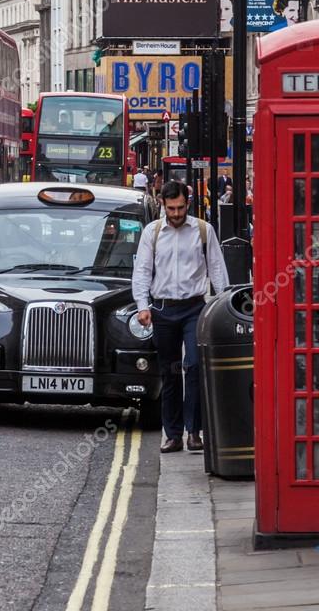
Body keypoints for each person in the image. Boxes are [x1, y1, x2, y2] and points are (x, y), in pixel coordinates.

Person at [132, 181, 229, 454]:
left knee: (195, 367)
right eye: (171, 208)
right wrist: (142, 305)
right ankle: (172, 434)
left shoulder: (202, 230)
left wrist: (223, 305)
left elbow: (218, 271)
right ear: (163, 203)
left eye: (181, 208)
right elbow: (142, 271)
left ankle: (194, 432)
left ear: (188, 203)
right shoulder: (152, 233)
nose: (176, 213)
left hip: (194, 308)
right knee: (170, 372)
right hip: (162, 309)